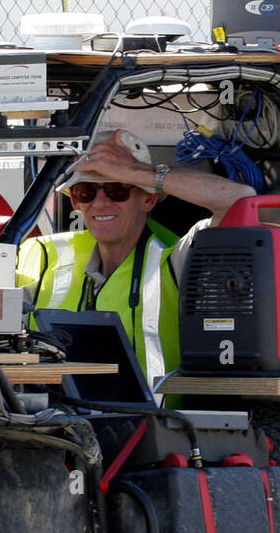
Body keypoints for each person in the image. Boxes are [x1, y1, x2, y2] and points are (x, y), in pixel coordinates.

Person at [17, 128, 255, 389]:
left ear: (149, 199)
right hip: (51, 420)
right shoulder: (41, 255)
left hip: (152, 424)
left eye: (118, 189)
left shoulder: (176, 259)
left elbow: (239, 200)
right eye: (86, 191)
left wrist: (136, 172)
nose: (100, 203)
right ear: (75, 202)